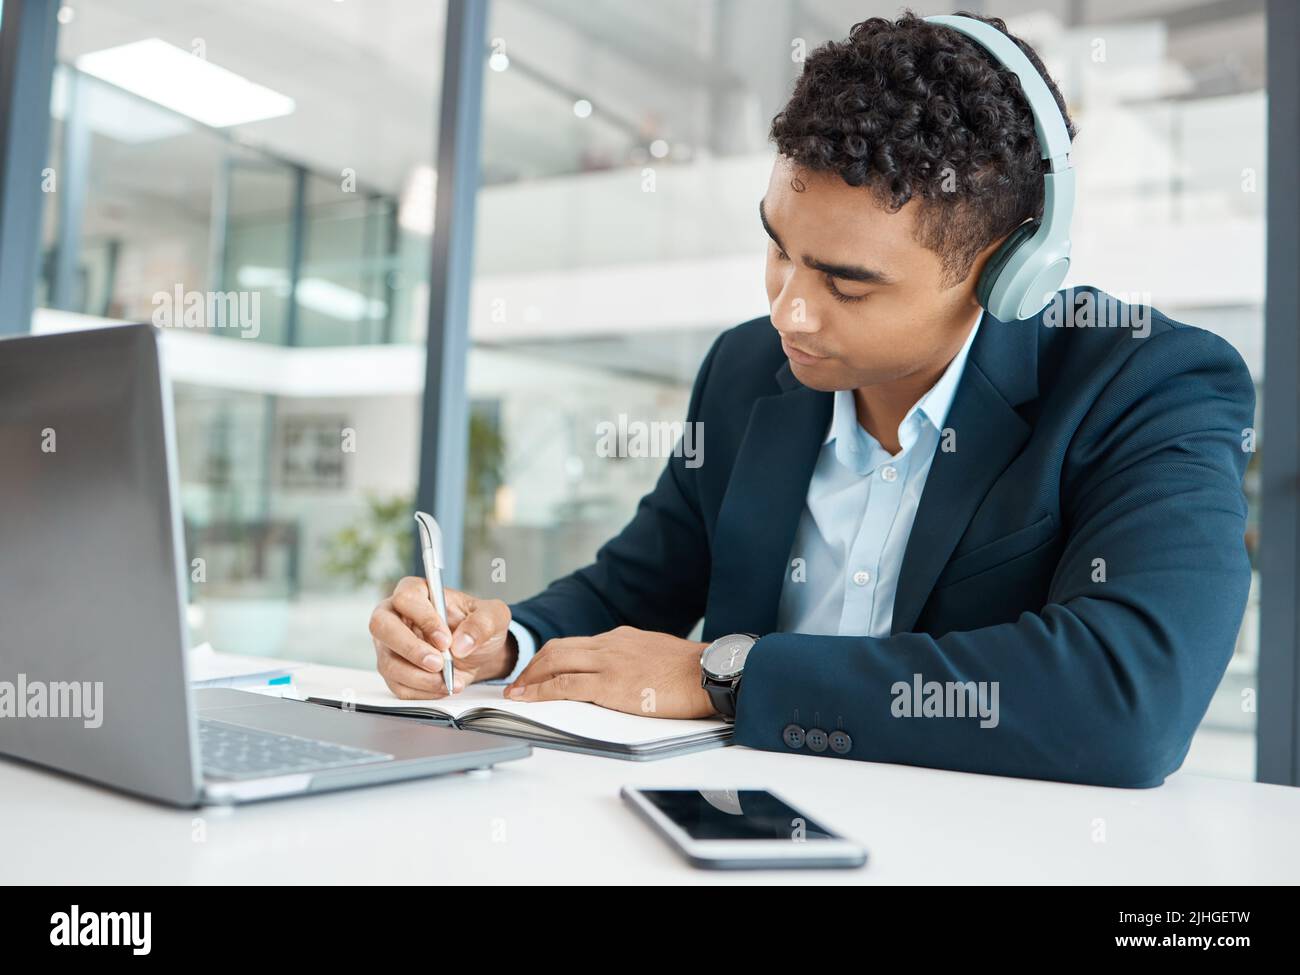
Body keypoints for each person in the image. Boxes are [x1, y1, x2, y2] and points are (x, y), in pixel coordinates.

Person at [368, 11, 1253, 788]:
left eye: (848, 285)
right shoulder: (746, 370)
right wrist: (501, 641)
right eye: (778, 247)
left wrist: (730, 676)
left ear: (1008, 273)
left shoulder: (1146, 384)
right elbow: (637, 587)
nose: (788, 308)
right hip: (733, 837)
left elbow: (1127, 699)